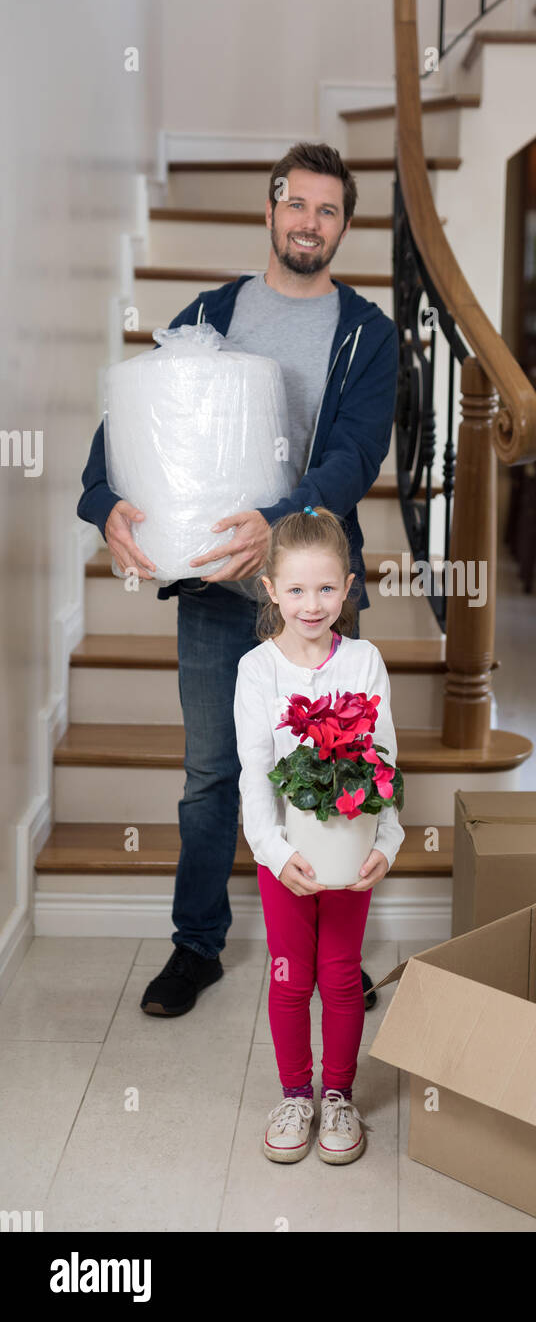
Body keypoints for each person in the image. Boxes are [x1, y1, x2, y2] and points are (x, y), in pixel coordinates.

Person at [76, 142, 398, 1015]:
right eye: (298, 205)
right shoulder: (212, 315)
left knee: (331, 768)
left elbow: (354, 453)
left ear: (343, 225)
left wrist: (280, 525)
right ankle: (198, 946)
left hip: (318, 602)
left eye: (329, 211)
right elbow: (134, 422)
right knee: (215, 773)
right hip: (220, 596)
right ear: (271, 210)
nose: (310, 222)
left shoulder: (368, 334)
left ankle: (335, 950)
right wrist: (102, 498)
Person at [234, 505, 403, 1164]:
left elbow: (386, 767)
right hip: (288, 860)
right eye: (297, 590)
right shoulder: (258, 671)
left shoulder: (363, 662)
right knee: (287, 977)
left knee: (338, 977)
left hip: (351, 856)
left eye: (327, 588)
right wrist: (275, 855)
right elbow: (253, 779)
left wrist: (387, 844)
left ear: (349, 588)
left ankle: (338, 1096)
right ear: (271, 589)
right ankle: (295, 1093)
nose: (312, 604)